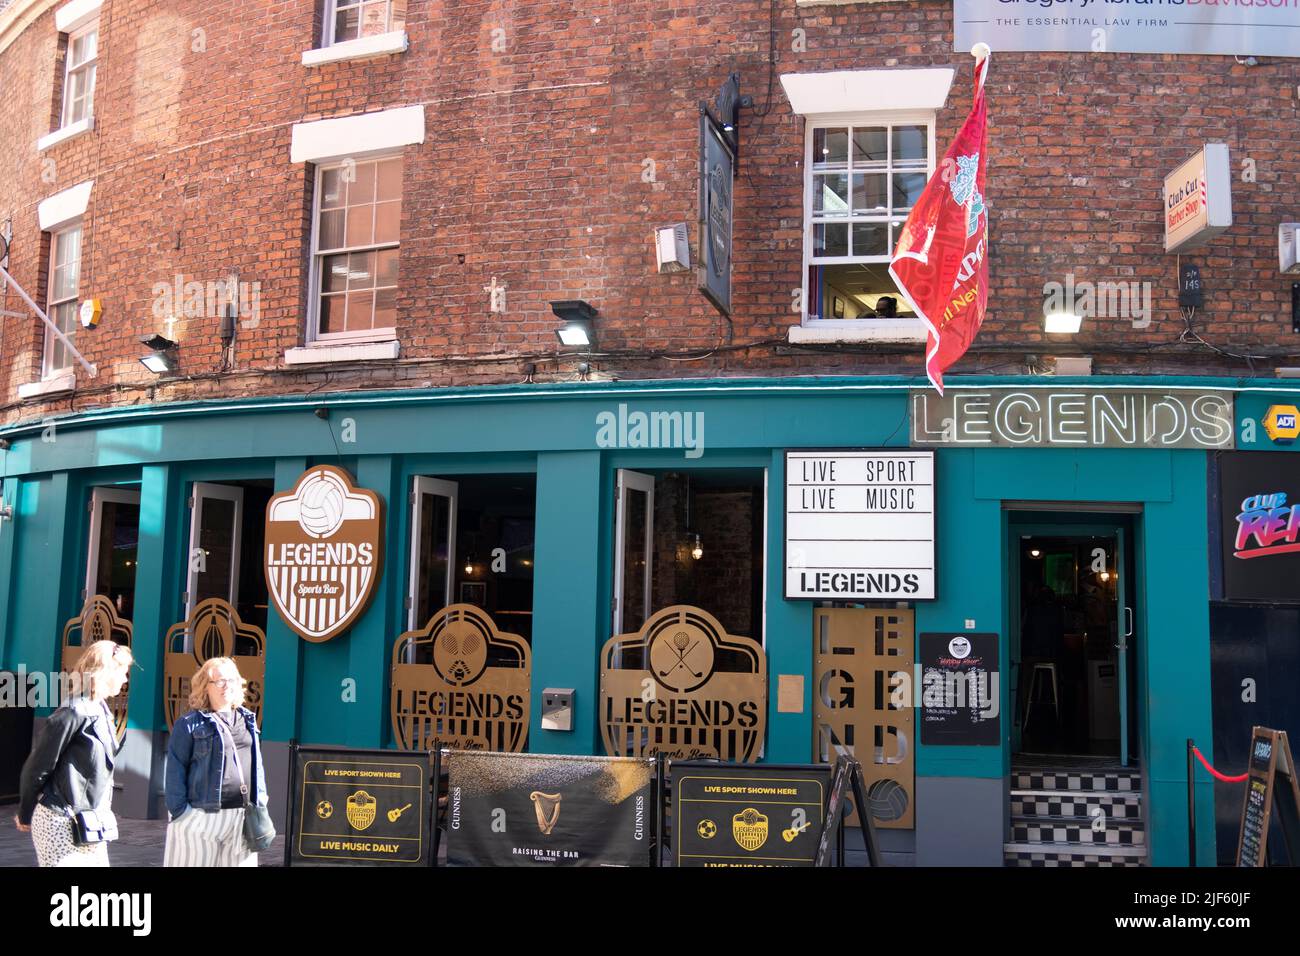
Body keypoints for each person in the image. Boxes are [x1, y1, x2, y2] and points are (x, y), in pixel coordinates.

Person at [14, 640, 133, 867]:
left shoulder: (102, 711)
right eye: (123, 673)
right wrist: (25, 812)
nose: (125, 679)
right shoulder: (74, 711)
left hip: (90, 824)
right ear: (106, 671)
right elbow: (37, 766)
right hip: (60, 821)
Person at [164, 657, 268, 867]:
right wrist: (182, 814)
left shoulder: (247, 719)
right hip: (201, 817)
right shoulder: (188, 724)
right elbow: (175, 769)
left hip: (242, 816)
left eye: (232, 679)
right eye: (219, 681)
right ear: (205, 687)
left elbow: (256, 764)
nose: (227, 685)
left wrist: (262, 800)